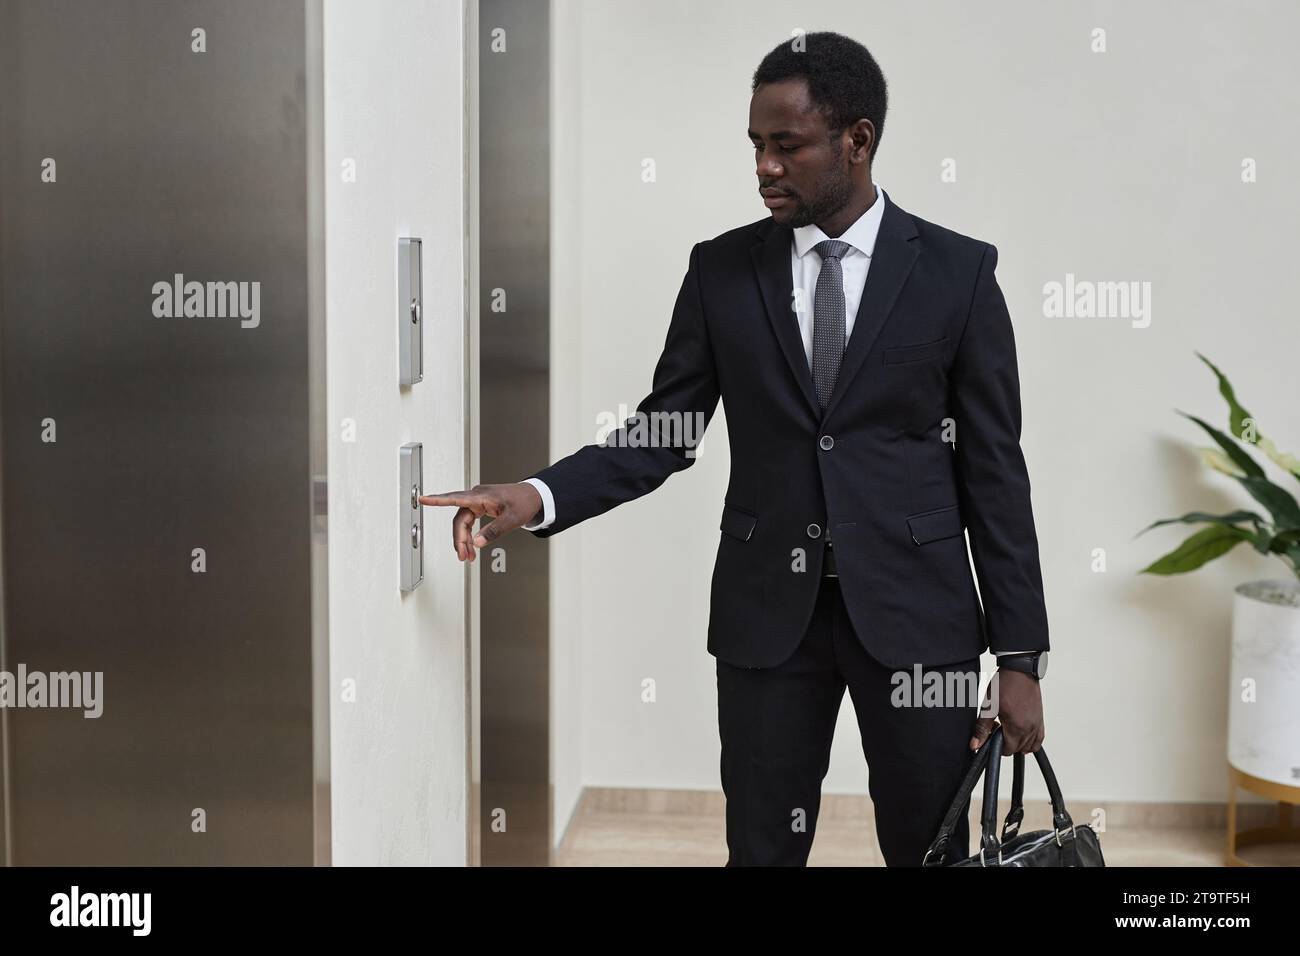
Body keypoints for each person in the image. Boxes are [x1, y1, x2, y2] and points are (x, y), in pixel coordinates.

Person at [421, 31, 1050, 866]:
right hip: (768, 624)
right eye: (756, 146)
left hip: (917, 623)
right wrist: (535, 496)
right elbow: (663, 433)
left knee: (930, 848)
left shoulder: (957, 274)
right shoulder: (721, 271)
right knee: (759, 850)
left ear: (858, 141)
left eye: (786, 146)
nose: (764, 167)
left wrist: (1020, 656)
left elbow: (995, 473)